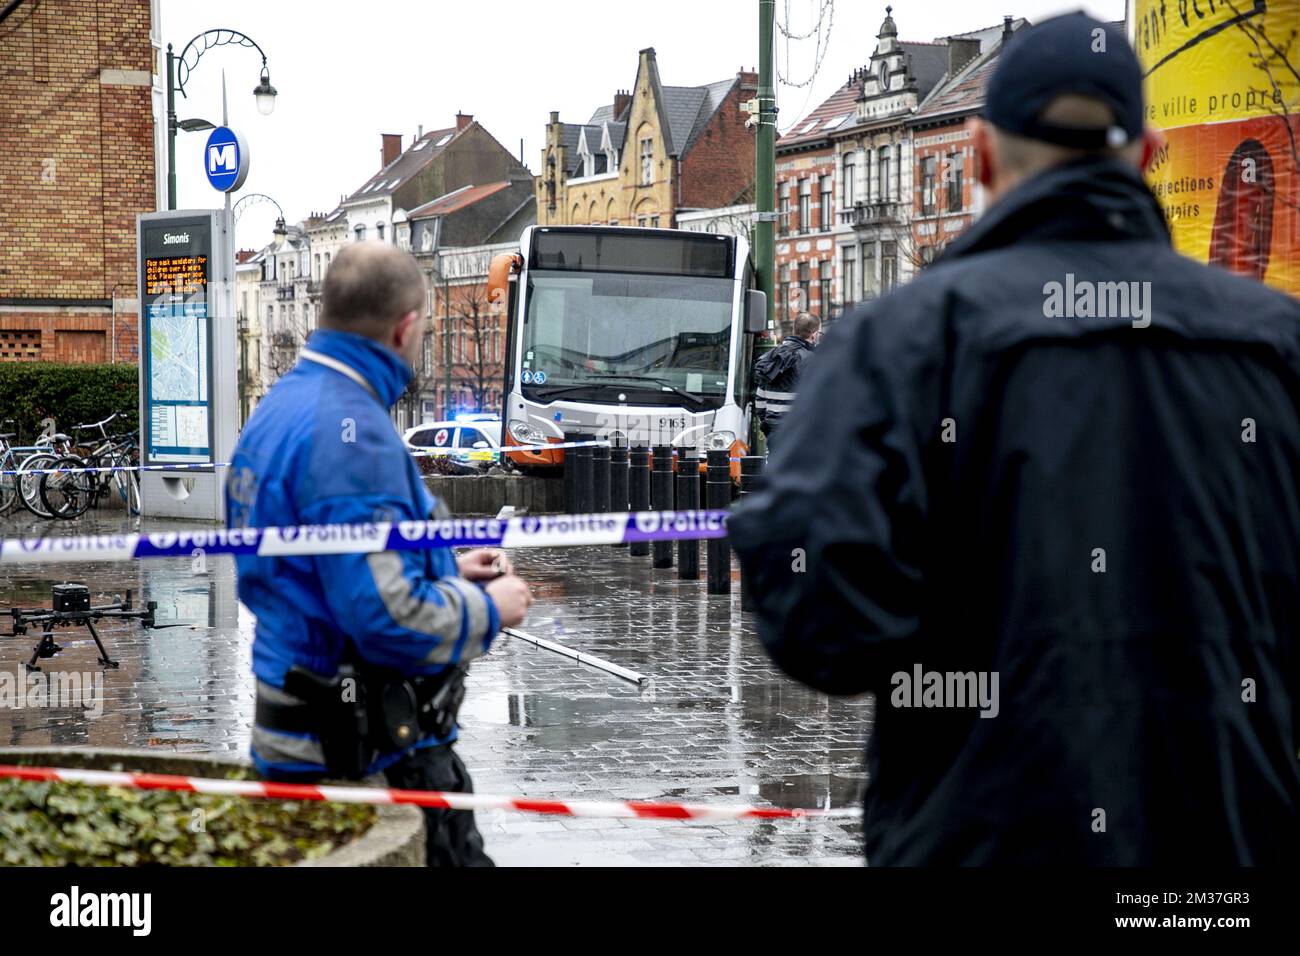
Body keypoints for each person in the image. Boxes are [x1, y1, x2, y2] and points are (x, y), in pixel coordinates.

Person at [729, 13, 1300, 865]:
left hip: (976, 840)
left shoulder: (901, 344)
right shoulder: (1274, 345)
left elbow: (818, 623)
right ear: (1145, 155)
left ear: (984, 155)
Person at [225, 241, 533, 867]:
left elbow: (318, 569)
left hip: (293, 733)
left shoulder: (277, 408)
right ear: (406, 327)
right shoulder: (354, 433)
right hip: (370, 756)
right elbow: (385, 615)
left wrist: (446, 567)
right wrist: (490, 607)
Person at [754, 311, 820, 448]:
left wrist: (770, 426)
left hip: (775, 433)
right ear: (814, 335)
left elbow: (760, 401)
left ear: (794, 330)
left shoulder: (771, 357)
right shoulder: (813, 361)